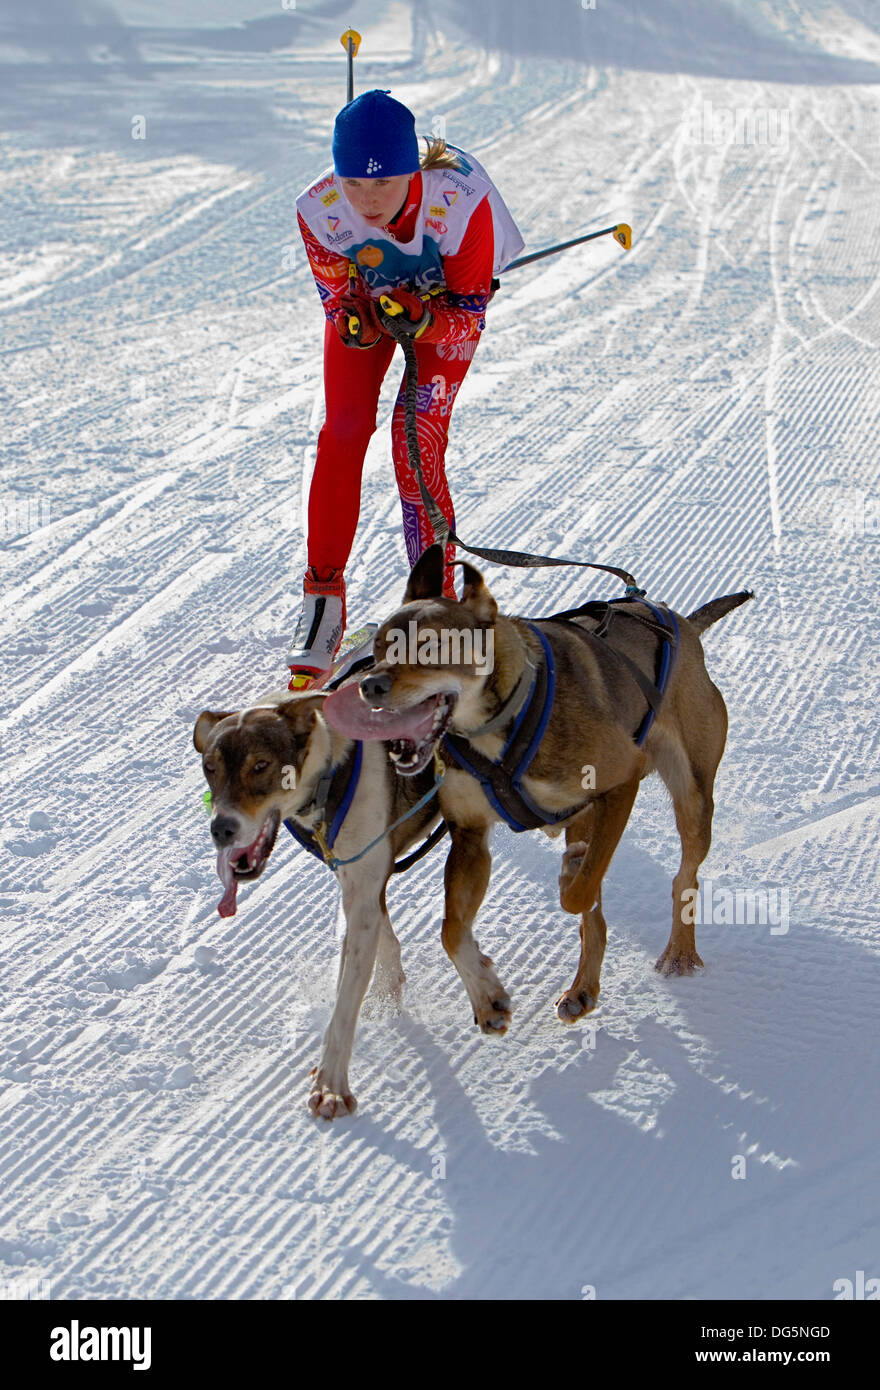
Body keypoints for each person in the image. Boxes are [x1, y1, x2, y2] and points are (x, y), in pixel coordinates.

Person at [287, 88, 524, 688]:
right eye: (353, 184)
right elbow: (339, 298)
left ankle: (436, 612)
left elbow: (469, 314)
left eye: (384, 184)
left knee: (412, 437)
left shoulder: (462, 203)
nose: (366, 201)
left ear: (412, 170)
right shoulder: (318, 210)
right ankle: (322, 603)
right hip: (377, 296)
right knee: (341, 433)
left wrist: (423, 319)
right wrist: (356, 321)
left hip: (442, 307)